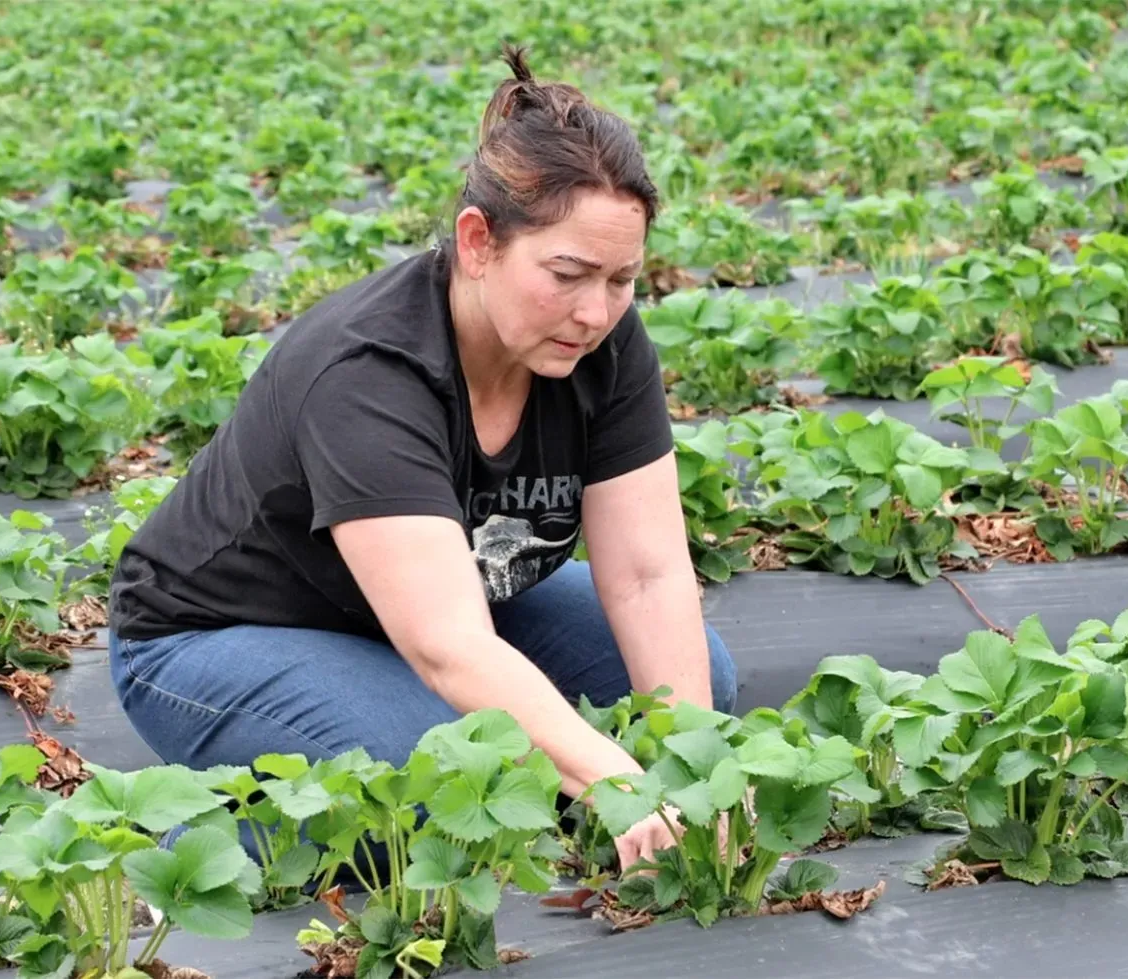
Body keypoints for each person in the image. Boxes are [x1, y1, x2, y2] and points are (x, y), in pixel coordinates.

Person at [106, 47, 737, 876]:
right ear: (478, 242)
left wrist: (687, 768)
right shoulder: (369, 371)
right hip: (220, 635)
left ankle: (524, 779)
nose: (595, 311)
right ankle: (184, 840)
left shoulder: (602, 345)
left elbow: (650, 576)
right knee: (419, 777)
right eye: (568, 273)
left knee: (692, 685)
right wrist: (618, 779)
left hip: (439, 606)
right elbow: (447, 643)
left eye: (622, 279)